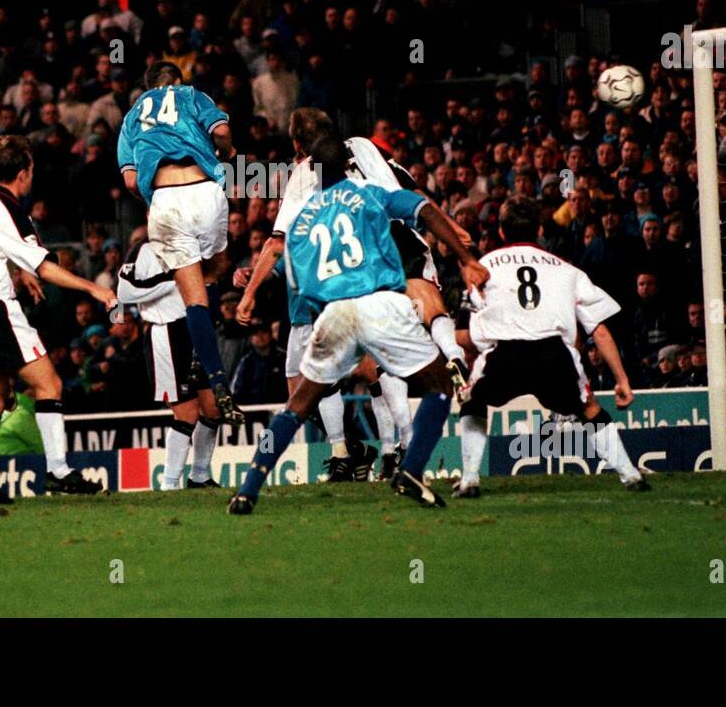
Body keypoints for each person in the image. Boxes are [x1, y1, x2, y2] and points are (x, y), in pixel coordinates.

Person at [228, 136, 488, 515]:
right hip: (381, 304)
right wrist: (464, 258)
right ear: (350, 161)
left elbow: (299, 282)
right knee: (440, 386)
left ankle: (247, 490)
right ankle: (410, 469)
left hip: (334, 313)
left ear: (312, 172)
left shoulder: (304, 216)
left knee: (296, 406)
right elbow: (423, 211)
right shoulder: (370, 191)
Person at [0, 136, 117, 504]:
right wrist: (93, 289)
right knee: (49, 383)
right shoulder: (12, 211)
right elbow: (46, 266)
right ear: (24, 173)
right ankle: (58, 471)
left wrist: (19, 274)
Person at [454, 197, 647, 498]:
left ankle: (469, 480)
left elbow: (470, 324)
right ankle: (631, 475)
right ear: (540, 230)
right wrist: (621, 379)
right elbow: (599, 329)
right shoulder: (567, 270)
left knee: (473, 399)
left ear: (502, 232)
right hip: (553, 354)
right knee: (588, 408)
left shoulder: (483, 267)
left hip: (504, 354)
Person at [117, 61, 241, 423]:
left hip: (165, 199)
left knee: (193, 299)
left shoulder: (131, 117)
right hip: (205, 190)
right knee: (216, 268)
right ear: (176, 81)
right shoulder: (191, 95)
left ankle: (214, 377)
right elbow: (221, 129)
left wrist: (156, 200)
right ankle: (205, 362)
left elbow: (128, 182)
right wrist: (228, 153)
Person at [116, 240, 222, 489]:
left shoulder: (192, 244)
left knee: (214, 408)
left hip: (195, 329)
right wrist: (176, 278)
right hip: (167, 332)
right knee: (186, 412)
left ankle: (200, 476)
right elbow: (125, 292)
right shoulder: (143, 250)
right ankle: (169, 482)